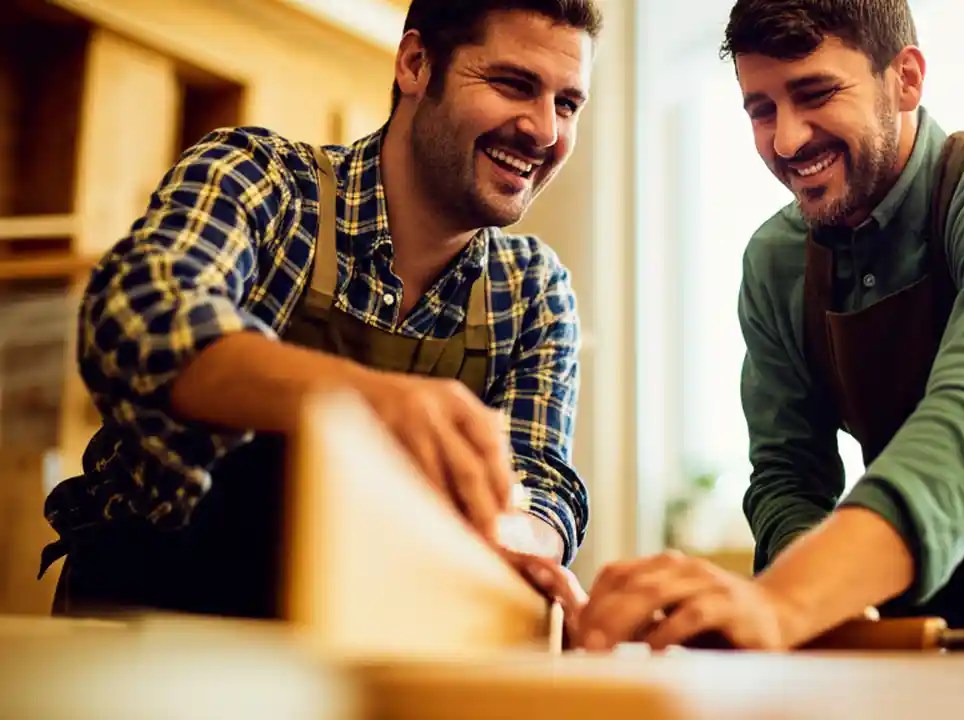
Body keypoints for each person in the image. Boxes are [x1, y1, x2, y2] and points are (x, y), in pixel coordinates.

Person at [576, 0, 964, 651]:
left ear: (907, 79)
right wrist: (821, 614)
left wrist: (783, 603)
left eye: (816, 93)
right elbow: (787, 475)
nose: (786, 139)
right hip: (920, 639)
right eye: (761, 108)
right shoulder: (775, 263)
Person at [39, 0, 599, 619]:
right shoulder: (261, 179)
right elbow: (141, 317)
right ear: (416, 65)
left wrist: (519, 541)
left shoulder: (533, 291)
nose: (544, 130)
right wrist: (370, 405)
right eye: (513, 84)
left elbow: (543, 483)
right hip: (139, 634)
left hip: (365, 657)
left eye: (567, 104)